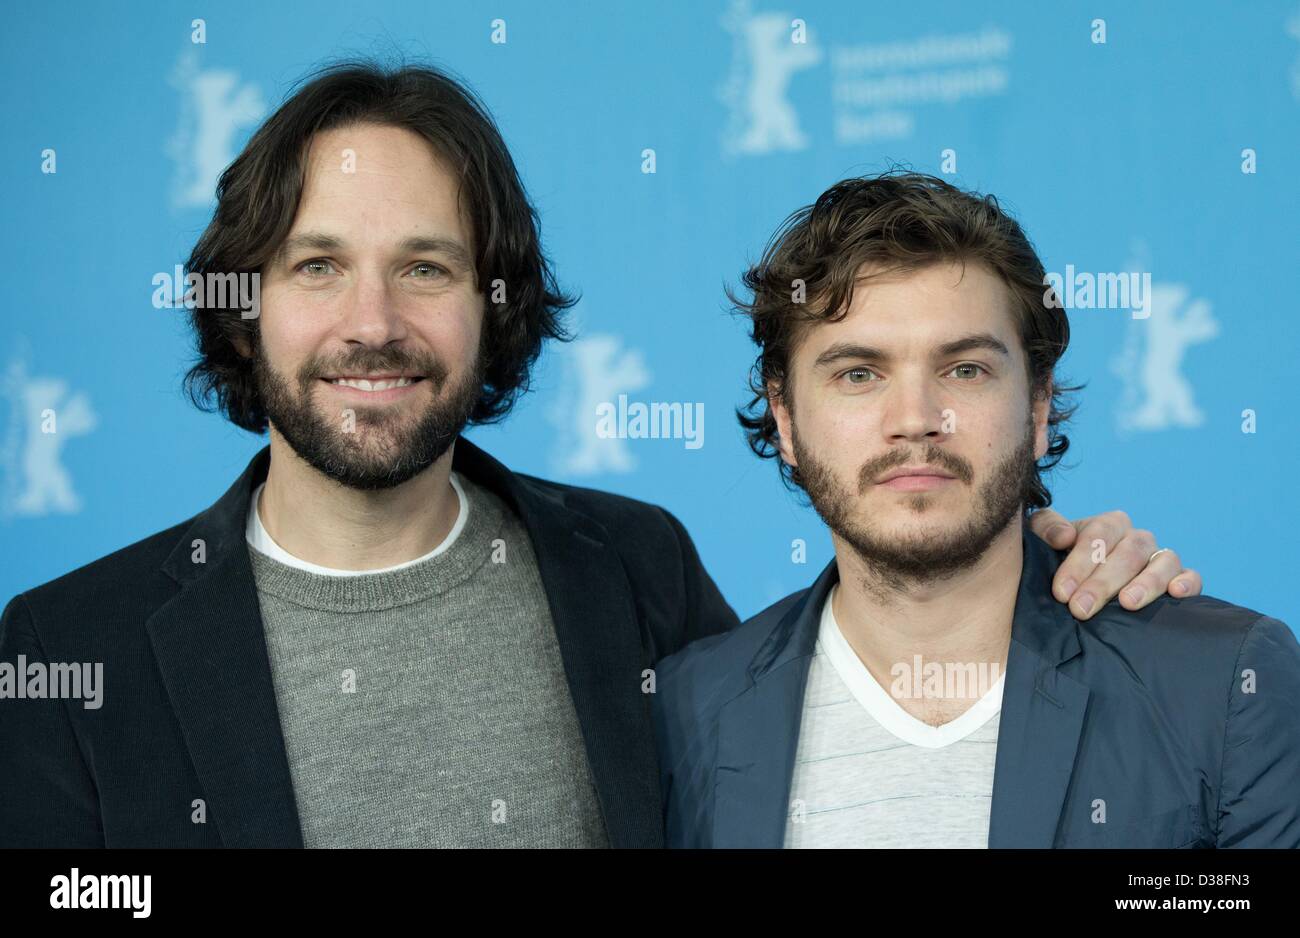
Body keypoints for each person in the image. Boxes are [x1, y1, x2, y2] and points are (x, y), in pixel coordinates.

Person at [0, 66, 1200, 848]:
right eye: (316, 266)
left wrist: (1052, 566)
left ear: (492, 302)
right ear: (242, 302)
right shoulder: (68, 650)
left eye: (425, 266)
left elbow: (856, 677)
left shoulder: (629, 567)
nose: (372, 321)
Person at [653, 171, 1299, 848]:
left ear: (1039, 406)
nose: (916, 420)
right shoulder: (682, 713)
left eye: (965, 369)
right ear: (785, 419)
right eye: (858, 374)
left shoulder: (1224, 686)